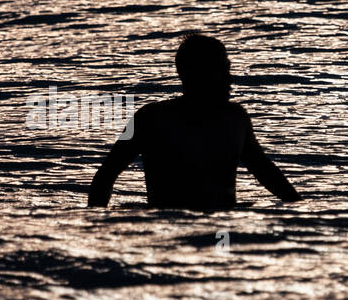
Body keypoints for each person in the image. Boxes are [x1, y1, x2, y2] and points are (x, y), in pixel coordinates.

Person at [88, 33, 300, 209]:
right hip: (168, 232)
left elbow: (266, 173)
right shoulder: (149, 119)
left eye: (228, 69)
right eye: (220, 70)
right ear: (192, 75)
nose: (230, 79)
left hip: (225, 228)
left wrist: (302, 211)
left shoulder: (237, 119)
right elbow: (106, 175)